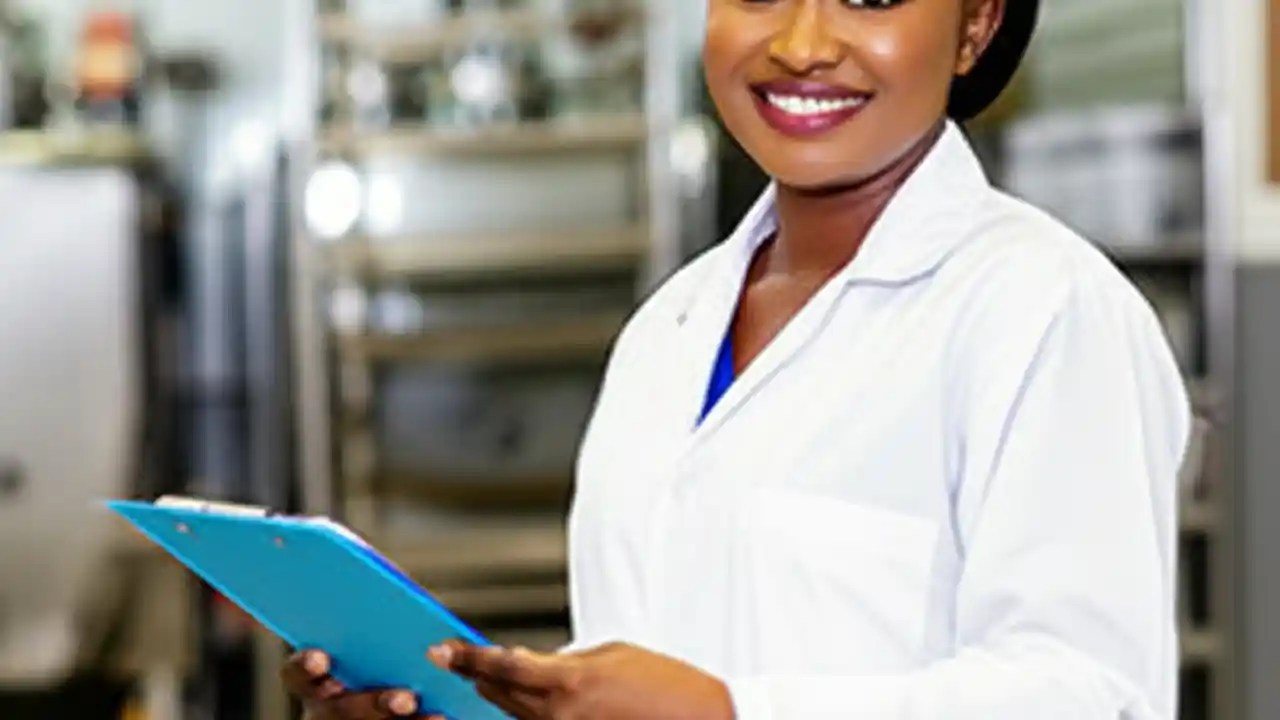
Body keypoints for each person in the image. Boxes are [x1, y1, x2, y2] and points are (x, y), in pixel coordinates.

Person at [284, 0, 1191, 717]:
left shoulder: (1044, 309)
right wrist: (461, 703)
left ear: (974, 26)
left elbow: (1086, 693)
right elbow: (668, 649)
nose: (800, 43)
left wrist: (730, 712)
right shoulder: (667, 330)